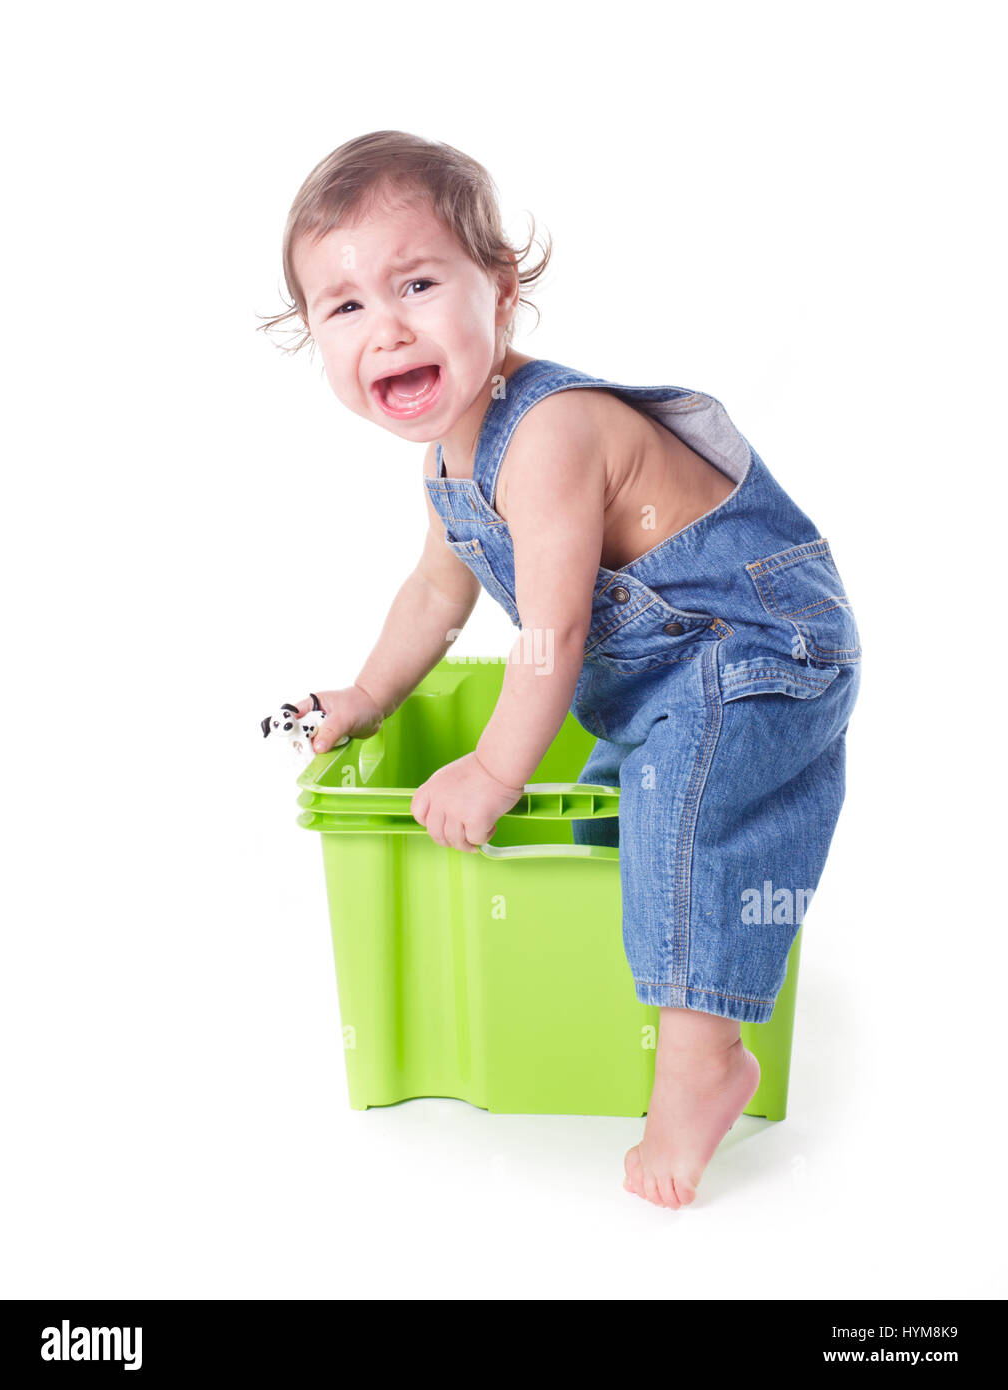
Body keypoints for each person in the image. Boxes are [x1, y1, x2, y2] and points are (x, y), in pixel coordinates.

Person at [259, 130, 862, 1209]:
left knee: (684, 821)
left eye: (418, 282)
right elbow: (434, 598)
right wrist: (364, 694)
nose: (385, 324)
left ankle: (706, 1066)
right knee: (603, 823)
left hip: (761, 650)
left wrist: (494, 771)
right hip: (671, 674)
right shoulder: (449, 459)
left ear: (501, 293)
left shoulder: (544, 434)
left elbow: (553, 635)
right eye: (343, 307)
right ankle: (649, 1000)